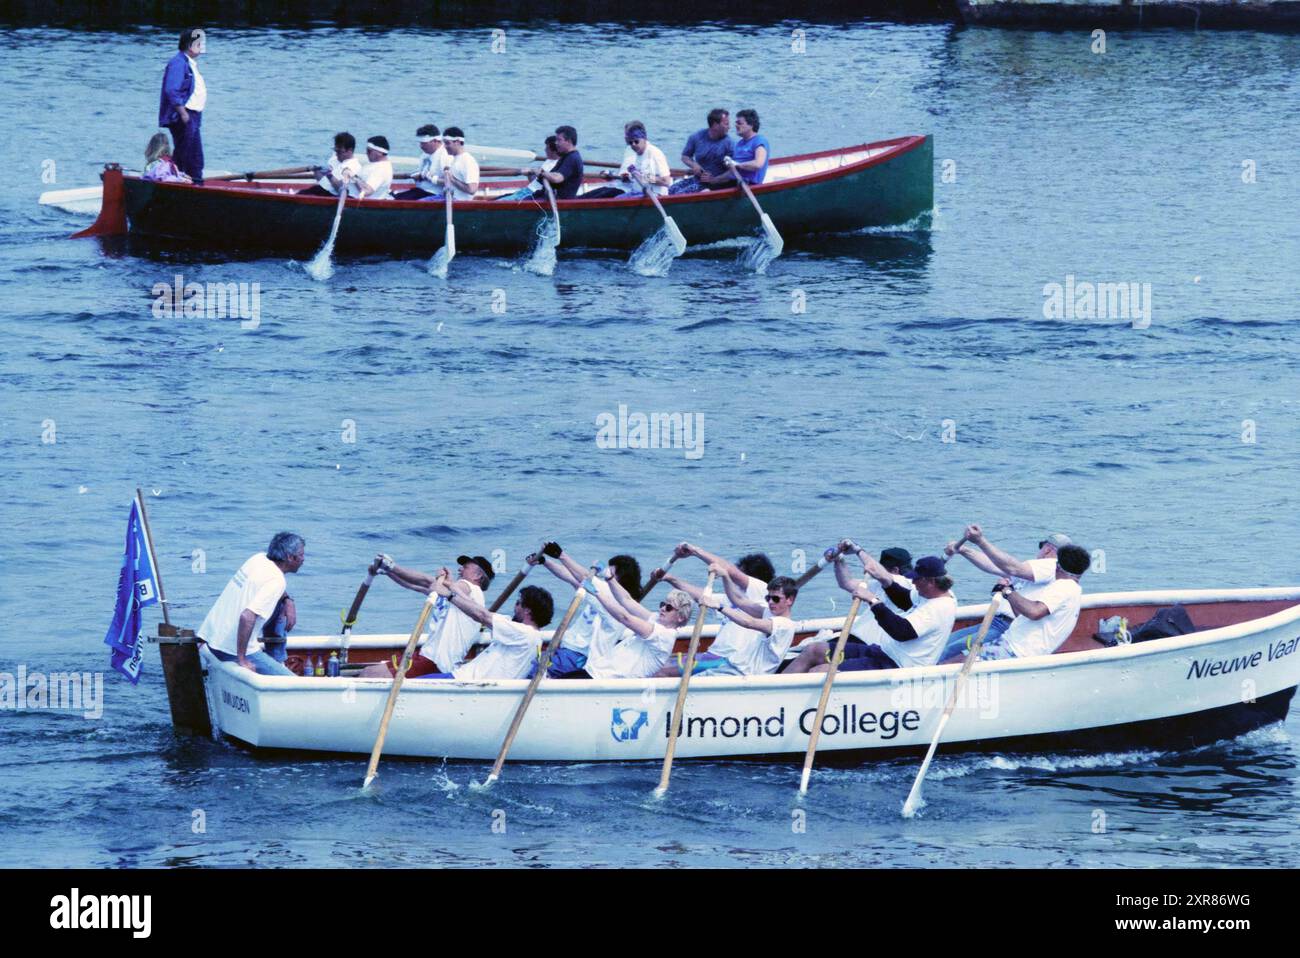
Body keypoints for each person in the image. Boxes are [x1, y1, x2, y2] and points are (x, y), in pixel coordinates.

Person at [785, 548, 956, 674]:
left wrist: (872, 600)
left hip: (898, 667)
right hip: (881, 652)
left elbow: (901, 631)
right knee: (814, 650)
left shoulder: (939, 608)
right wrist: (847, 557)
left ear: (931, 581)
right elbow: (902, 597)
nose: (914, 584)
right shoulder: (928, 594)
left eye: (917, 580)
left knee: (820, 671)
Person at [945, 539, 1092, 663]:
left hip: (1016, 648)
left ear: (1056, 561)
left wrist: (1007, 591)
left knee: (954, 660)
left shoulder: (1062, 585)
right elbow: (1023, 614)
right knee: (953, 654)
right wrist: (1007, 590)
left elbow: (1034, 612)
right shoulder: (1067, 587)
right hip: (1009, 639)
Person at [358, 553, 495, 678]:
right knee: (367, 672)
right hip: (425, 656)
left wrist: (392, 566)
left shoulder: (471, 588)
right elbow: (415, 586)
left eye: (465, 567)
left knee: (369, 675)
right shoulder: (457, 595)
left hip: (436, 662)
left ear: (478, 576)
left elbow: (428, 582)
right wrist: (385, 572)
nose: (460, 569)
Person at [651, 542, 775, 677]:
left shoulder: (761, 590)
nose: (735, 579)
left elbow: (731, 571)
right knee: (657, 664)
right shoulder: (732, 597)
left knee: (661, 672)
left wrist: (695, 551)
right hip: (711, 656)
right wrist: (670, 579)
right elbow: (700, 595)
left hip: (727, 661)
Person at [197, 532, 304, 676]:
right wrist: (242, 660)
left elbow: (269, 586)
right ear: (290, 558)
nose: (304, 559)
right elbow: (247, 617)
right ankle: (271, 664)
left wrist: (287, 600)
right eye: (302, 555)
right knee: (292, 682)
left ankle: (276, 659)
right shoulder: (277, 581)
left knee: (279, 604)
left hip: (212, 640)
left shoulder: (258, 559)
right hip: (229, 650)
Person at [659, 566, 799, 676]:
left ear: (790, 600)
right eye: (768, 598)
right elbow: (739, 600)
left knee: (666, 675)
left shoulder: (783, 625)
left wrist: (719, 606)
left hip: (744, 675)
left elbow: (749, 622)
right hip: (733, 668)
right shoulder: (769, 613)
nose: (770, 602)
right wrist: (725, 576)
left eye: (775, 599)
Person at [530, 545, 641, 678]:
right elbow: (571, 577)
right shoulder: (598, 593)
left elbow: (583, 577)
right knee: (531, 663)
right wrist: (545, 562)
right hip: (566, 652)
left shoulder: (616, 603)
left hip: (579, 657)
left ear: (620, 582)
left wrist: (561, 555)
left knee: (532, 673)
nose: (604, 578)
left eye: (609, 575)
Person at [424, 575, 554, 680]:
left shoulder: (524, 633)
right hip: (464, 678)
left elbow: (481, 616)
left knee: (409, 685)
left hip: (466, 682)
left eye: (518, 603)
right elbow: (480, 610)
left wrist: (448, 595)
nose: (515, 607)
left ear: (527, 611)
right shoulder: (528, 634)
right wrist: (451, 587)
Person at [579, 568, 693, 679]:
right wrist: (609, 577)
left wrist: (597, 593)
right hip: (594, 672)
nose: (662, 608)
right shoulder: (655, 620)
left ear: (680, 618)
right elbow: (626, 600)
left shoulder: (664, 636)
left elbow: (624, 618)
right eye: (663, 604)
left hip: (605, 681)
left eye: (669, 607)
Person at [158, 27, 208, 182]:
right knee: (185, 153)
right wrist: (182, 112)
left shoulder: (189, 63)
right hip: (184, 115)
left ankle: (195, 183)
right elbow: (172, 90)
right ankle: (176, 182)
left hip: (193, 116)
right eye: (199, 44)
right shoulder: (179, 63)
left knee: (195, 156)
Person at [582, 122, 671, 199]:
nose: (633, 145)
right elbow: (634, 178)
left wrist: (643, 177)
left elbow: (666, 182)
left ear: (644, 138)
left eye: (636, 141)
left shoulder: (655, 153)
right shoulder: (637, 153)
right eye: (630, 142)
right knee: (613, 198)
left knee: (612, 200)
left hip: (654, 195)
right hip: (637, 193)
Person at [669, 108, 734, 195]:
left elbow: (734, 171)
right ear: (715, 125)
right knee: (671, 190)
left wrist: (714, 180)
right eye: (726, 124)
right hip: (698, 180)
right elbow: (685, 156)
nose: (729, 127)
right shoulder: (696, 137)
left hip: (717, 185)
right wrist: (694, 165)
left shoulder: (729, 143)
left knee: (679, 193)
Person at [392, 124, 447, 200]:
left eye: (424, 143)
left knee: (396, 199)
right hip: (420, 191)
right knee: (391, 195)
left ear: (435, 141)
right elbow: (420, 174)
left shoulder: (445, 155)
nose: (421, 146)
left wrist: (431, 178)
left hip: (434, 194)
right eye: (420, 143)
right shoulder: (425, 154)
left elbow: (452, 183)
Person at [495, 135, 558, 201]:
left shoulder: (556, 166)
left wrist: (536, 173)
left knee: (497, 202)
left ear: (554, 151)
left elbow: (546, 188)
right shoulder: (549, 160)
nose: (544, 150)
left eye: (547, 148)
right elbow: (537, 182)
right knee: (495, 200)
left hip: (532, 194)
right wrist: (530, 174)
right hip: (526, 190)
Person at [298, 131, 360, 196]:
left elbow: (340, 188)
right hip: (324, 191)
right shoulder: (334, 159)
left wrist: (329, 175)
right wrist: (317, 171)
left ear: (349, 150)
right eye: (335, 150)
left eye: (339, 151)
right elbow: (323, 182)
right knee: (302, 193)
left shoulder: (354, 166)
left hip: (338, 195)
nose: (336, 154)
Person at [719, 108, 770, 186]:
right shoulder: (739, 143)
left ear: (751, 125)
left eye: (739, 123)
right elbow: (733, 171)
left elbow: (758, 164)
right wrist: (714, 180)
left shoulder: (759, 141)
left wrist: (737, 165)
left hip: (749, 185)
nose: (736, 125)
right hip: (734, 182)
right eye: (736, 123)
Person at [534, 125, 584, 200]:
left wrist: (542, 173)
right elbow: (552, 176)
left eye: (559, 140)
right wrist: (534, 173)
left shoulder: (572, 158)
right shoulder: (565, 156)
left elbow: (557, 178)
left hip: (560, 202)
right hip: (548, 197)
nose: (556, 143)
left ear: (569, 141)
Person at [440, 127, 480, 200]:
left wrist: (452, 179)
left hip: (459, 201)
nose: (444, 146)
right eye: (444, 143)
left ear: (457, 142)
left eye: (447, 143)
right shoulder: (453, 159)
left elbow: (472, 190)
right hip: (448, 198)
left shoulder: (468, 161)